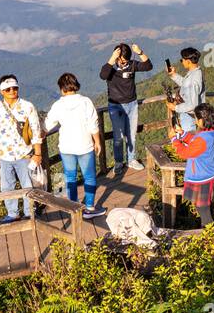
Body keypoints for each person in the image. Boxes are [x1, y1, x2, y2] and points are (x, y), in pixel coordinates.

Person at [45, 72, 104, 218]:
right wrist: (97, 141)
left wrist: (37, 134)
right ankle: (89, 208)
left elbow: (47, 125)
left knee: (69, 178)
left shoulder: (58, 105)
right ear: (75, 85)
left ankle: (74, 209)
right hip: (85, 145)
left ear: (61, 88)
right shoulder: (85, 101)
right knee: (89, 177)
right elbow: (93, 124)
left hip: (66, 147)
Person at [0, 75, 44, 221]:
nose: (12, 91)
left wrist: (37, 153)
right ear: (2, 91)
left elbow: (36, 131)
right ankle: (12, 214)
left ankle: (29, 212)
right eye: (8, 89)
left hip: (24, 153)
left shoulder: (27, 106)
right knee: (7, 187)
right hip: (3, 155)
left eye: (14, 88)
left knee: (28, 185)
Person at [100, 42, 152, 173]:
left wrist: (140, 52)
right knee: (118, 136)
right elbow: (103, 75)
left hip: (132, 105)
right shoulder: (110, 68)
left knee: (131, 135)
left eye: (126, 61)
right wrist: (112, 59)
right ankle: (118, 162)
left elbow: (148, 66)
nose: (124, 64)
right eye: (122, 61)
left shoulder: (132, 65)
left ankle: (131, 160)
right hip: (115, 106)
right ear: (116, 57)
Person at [170, 101, 214, 226]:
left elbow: (185, 153)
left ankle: (209, 234)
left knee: (203, 209)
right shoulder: (211, 132)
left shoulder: (204, 139)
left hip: (202, 176)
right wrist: (182, 134)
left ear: (202, 120)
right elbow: (195, 143)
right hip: (206, 172)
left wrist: (174, 140)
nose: (195, 122)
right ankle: (207, 231)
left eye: (197, 119)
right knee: (201, 206)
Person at [166, 47, 205, 133]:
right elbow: (185, 84)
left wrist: (175, 107)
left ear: (188, 61)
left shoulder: (194, 79)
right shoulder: (194, 72)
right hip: (188, 114)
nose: (182, 62)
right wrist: (173, 75)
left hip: (189, 116)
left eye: (182, 60)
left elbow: (192, 104)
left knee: (188, 140)